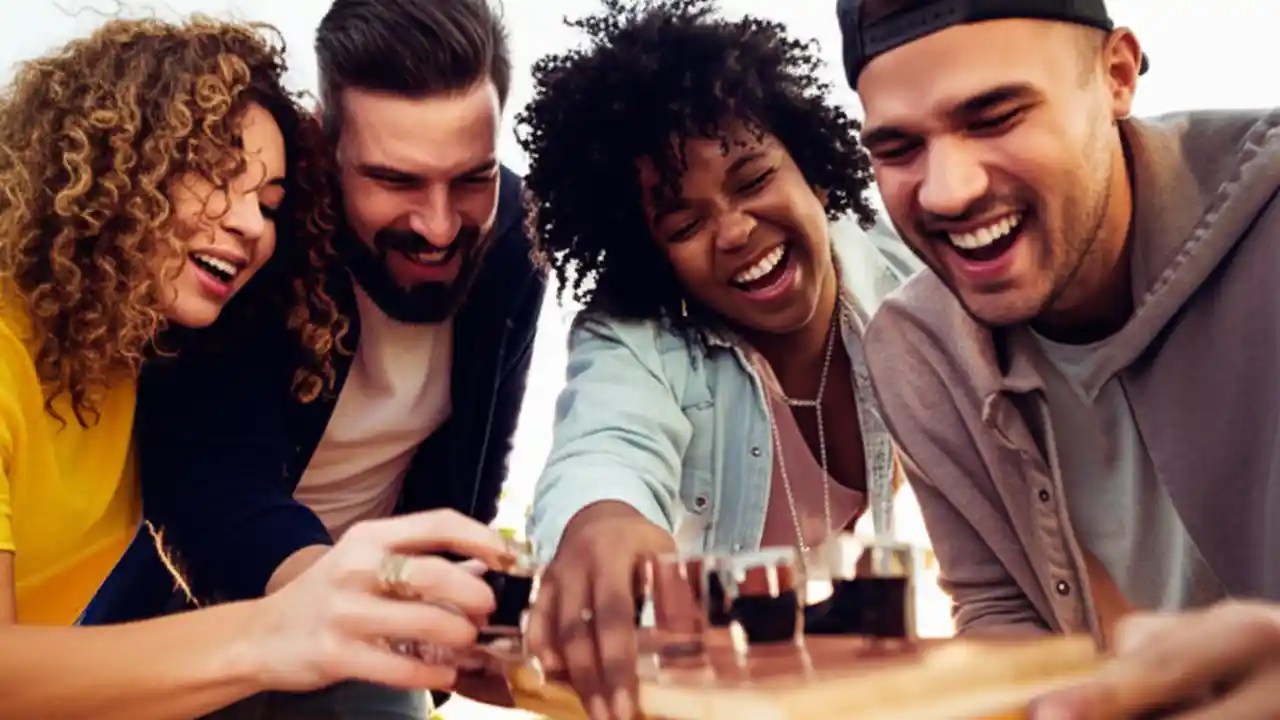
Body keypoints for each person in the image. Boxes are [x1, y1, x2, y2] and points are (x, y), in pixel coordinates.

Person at [0, 16, 515, 720]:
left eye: (269, 203)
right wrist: (283, 630)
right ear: (110, 161)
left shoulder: (121, 361)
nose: (251, 226)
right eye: (219, 178)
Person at [836, 0, 1280, 716]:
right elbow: (999, 613)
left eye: (996, 117)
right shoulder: (915, 347)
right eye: (897, 149)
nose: (949, 190)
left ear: (1117, 76)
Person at [517, 2, 919, 718]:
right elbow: (604, 447)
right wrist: (600, 522)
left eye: (754, 179)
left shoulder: (909, 275)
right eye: (684, 222)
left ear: (816, 173)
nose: (733, 232)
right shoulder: (638, 341)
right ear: (652, 255)